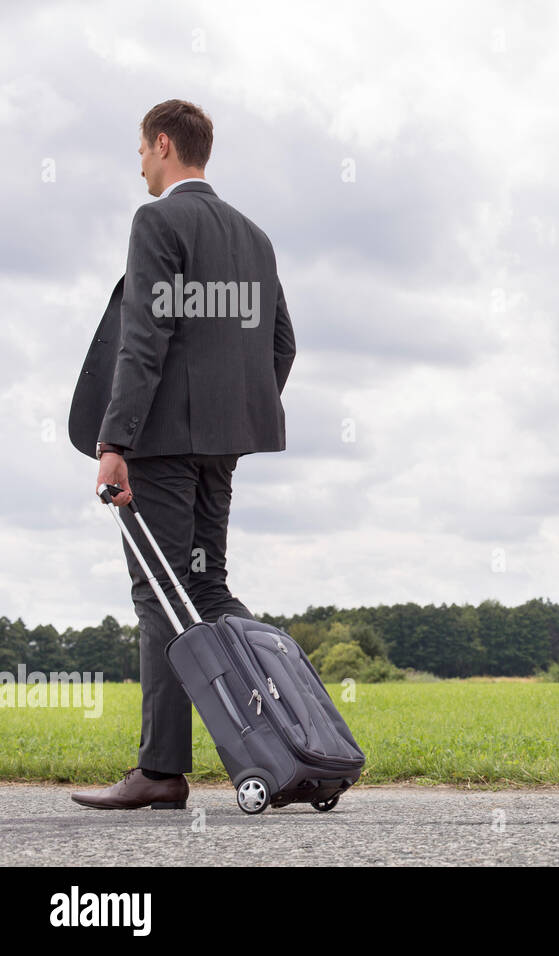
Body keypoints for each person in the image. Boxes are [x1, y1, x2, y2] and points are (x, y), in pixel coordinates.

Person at [67, 99, 296, 810]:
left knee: (160, 598)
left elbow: (147, 337)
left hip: (161, 450)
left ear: (163, 144)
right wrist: (231, 418)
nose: (138, 162)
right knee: (204, 589)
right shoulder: (253, 237)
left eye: (140, 148)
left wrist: (115, 442)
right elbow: (281, 344)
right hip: (222, 450)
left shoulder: (158, 221)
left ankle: (161, 771)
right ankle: (291, 733)